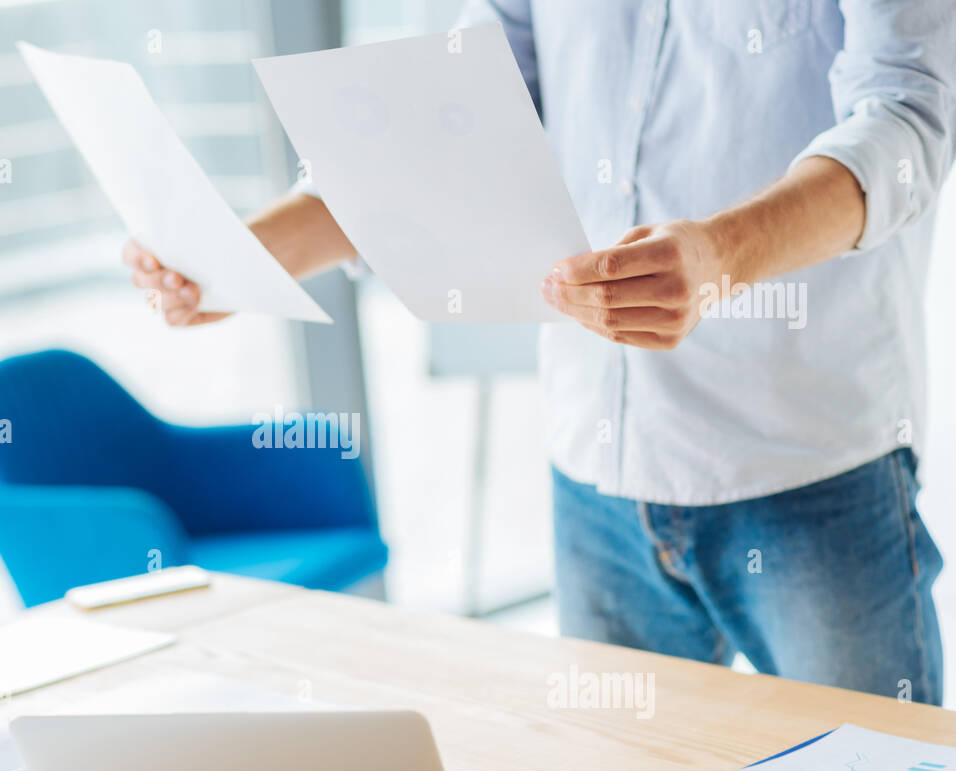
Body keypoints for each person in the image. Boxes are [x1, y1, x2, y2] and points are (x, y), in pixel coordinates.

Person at [121, 1, 955, 704]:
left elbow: (907, 122)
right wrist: (242, 258)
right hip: (595, 473)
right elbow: (454, 124)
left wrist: (722, 256)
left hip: (810, 467)